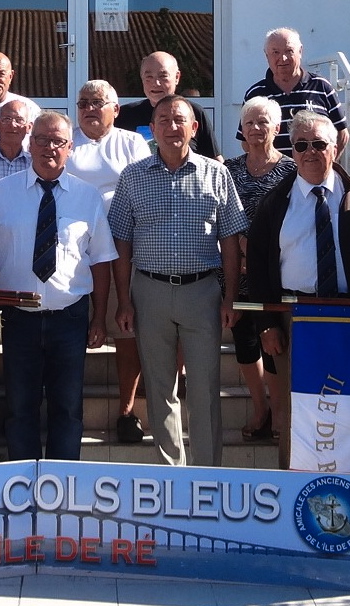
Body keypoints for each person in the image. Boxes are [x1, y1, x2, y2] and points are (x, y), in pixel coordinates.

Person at [0, 111, 117, 461]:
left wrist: (98, 319)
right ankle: (23, 486)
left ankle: (63, 486)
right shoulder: (2, 194)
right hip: (18, 318)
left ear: (70, 148)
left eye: (58, 142)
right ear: (30, 143)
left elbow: (101, 261)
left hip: (70, 317)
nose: (49, 148)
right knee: (20, 407)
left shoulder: (87, 197)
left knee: (68, 408)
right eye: (42, 140)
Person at [109, 95, 247, 467]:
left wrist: (230, 297)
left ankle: (207, 475)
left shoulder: (217, 174)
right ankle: (173, 474)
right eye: (164, 120)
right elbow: (120, 242)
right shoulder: (132, 176)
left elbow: (231, 242)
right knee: (159, 389)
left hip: (202, 292)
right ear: (151, 129)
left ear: (194, 128)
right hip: (149, 292)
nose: (172, 127)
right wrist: (123, 300)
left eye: (179, 120)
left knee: (203, 389)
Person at [246, 110, 350, 468]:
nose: (309, 152)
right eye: (300, 145)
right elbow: (258, 265)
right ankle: (294, 484)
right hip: (295, 318)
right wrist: (267, 324)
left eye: (318, 144)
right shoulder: (276, 203)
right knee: (297, 410)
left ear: (335, 148)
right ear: (291, 150)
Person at [67, 79, 151, 444]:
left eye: (96, 102)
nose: (87, 108)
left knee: (125, 330)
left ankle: (126, 411)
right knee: (71, 331)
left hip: (121, 249)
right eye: (82, 102)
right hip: (71, 251)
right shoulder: (66, 140)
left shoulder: (131, 142)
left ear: (115, 110)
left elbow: (145, 190)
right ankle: (68, 409)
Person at [223, 96, 296, 443]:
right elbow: (220, 215)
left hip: (274, 273)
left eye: (263, 122)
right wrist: (238, 246)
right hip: (235, 271)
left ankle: (280, 411)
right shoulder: (229, 170)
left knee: (274, 344)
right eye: (249, 122)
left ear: (277, 128)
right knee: (245, 341)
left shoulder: (291, 171)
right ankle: (259, 407)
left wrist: (260, 251)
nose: (255, 128)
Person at [237, 28, 349, 156]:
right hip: (273, 175)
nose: (283, 58)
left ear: (300, 51)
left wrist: (326, 165)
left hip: (312, 174)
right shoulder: (255, 94)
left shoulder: (322, 87)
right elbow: (246, 141)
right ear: (266, 55)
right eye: (275, 52)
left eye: (289, 51)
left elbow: (342, 133)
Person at [115, 51, 222, 161]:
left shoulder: (193, 112)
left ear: (177, 77)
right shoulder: (125, 115)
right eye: (149, 77)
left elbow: (214, 159)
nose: (156, 83)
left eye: (163, 76)